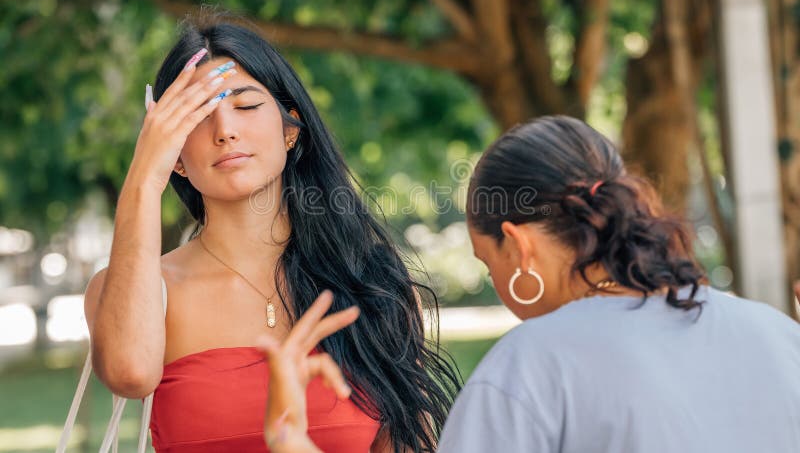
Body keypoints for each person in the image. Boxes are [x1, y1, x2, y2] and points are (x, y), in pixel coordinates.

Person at [261, 115, 800, 453]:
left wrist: (290, 438)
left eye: (486, 259)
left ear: (519, 247)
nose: (494, 280)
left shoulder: (532, 364)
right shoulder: (776, 334)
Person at [83, 15, 460, 452]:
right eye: (199, 116)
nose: (225, 130)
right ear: (175, 156)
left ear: (290, 129)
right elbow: (129, 372)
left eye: (244, 106)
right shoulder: (137, 290)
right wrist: (144, 179)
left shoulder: (372, 282)